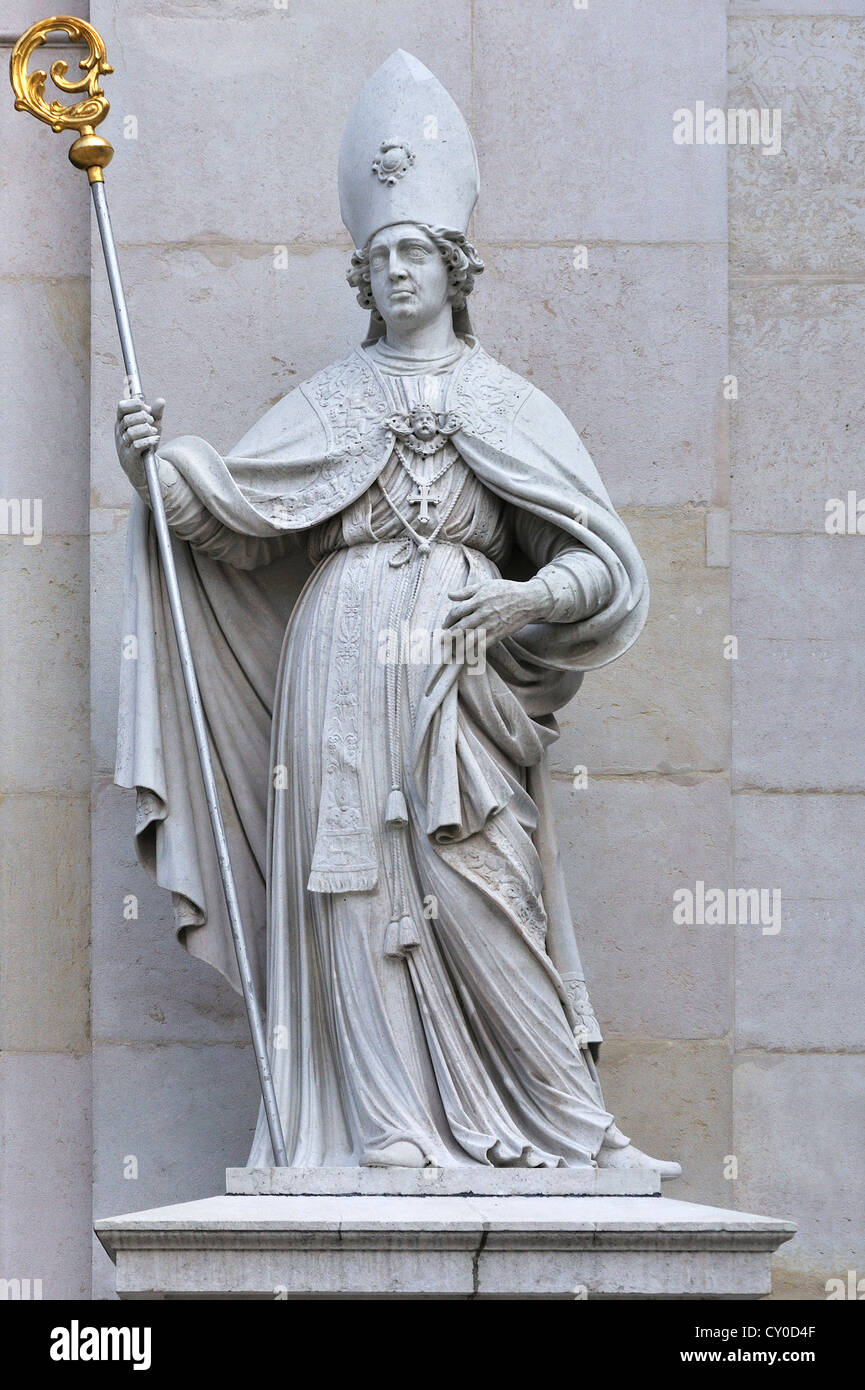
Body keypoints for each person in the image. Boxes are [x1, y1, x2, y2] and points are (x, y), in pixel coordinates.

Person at [114, 52, 680, 1176]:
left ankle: (566, 1120)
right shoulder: (329, 401)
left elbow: (598, 566)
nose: (398, 271)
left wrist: (524, 591)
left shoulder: (508, 405)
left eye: (415, 250)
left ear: (455, 266)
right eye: (378, 258)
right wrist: (159, 472)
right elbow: (238, 519)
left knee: (481, 880)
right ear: (360, 279)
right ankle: (385, 1126)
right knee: (349, 883)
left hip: (456, 683)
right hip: (336, 663)